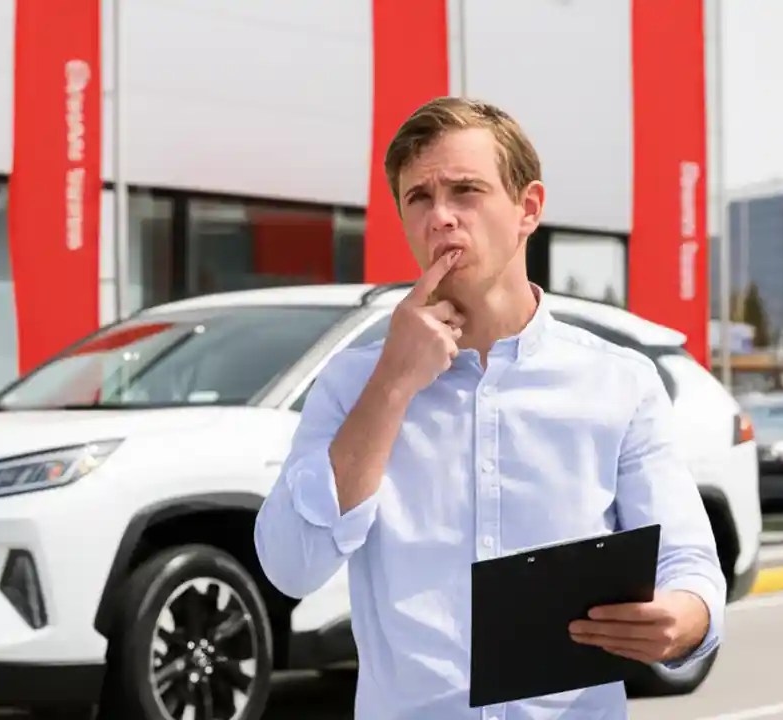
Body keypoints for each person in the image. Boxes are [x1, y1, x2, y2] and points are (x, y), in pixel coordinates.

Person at [252, 96, 725, 719]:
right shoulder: (353, 383)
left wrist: (682, 619)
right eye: (418, 197)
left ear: (528, 208)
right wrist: (393, 382)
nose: (440, 217)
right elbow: (291, 566)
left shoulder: (619, 383)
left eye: (465, 191)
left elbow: (689, 565)